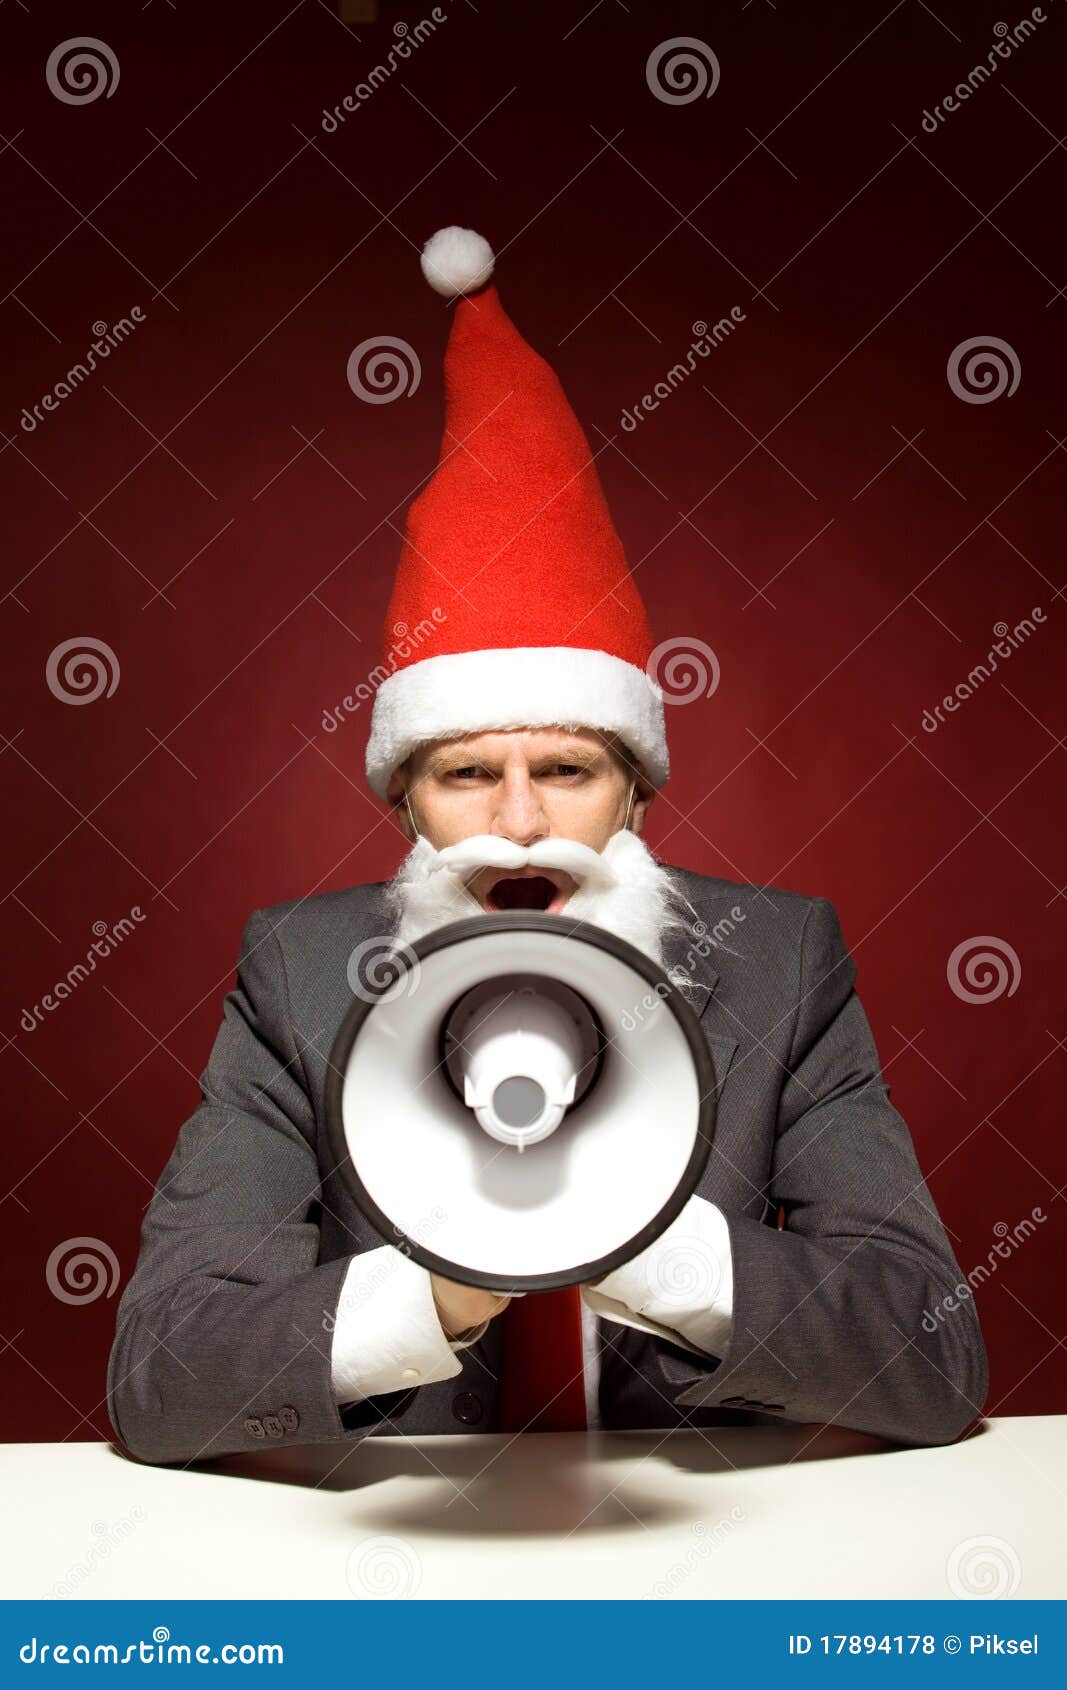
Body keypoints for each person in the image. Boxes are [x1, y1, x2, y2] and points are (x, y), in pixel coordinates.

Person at [106, 229, 987, 1467]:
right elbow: (158, 1385)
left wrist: (645, 1240)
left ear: (634, 789)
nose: (518, 822)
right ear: (403, 797)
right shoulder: (302, 978)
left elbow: (936, 1363)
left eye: (566, 769)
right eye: (466, 773)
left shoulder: (778, 960)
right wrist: (431, 1294)